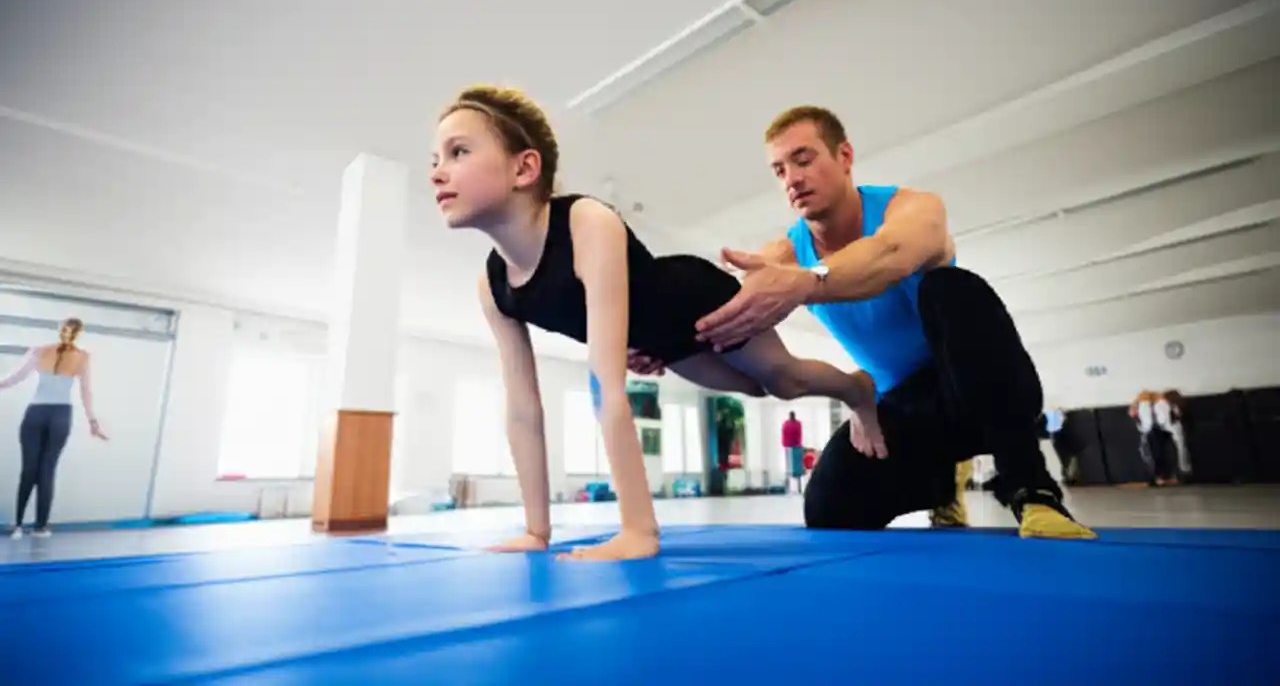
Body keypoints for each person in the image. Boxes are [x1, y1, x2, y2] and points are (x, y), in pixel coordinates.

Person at [430, 85, 880, 561]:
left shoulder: (586, 221)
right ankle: (544, 527)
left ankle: (857, 388)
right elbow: (523, 408)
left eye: (457, 152)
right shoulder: (492, 283)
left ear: (524, 167)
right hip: (660, 340)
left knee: (783, 380)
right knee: (752, 391)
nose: (437, 172)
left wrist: (637, 531)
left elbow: (607, 384)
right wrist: (536, 532)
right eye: (434, 159)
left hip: (696, 301)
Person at [629, 106, 1095, 540]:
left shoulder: (912, 210)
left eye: (803, 159)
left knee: (952, 288)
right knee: (830, 510)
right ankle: (940, 484)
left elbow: (887, 257)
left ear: (845, 155)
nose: (792, 178)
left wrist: (805, 283)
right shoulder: (783, 256)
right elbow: (746, 354)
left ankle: (1031, 489)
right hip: (904, 410)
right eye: (780, 170)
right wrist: (673, 346)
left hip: (981, 390)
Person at [1, 318, 108, 538]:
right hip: (60, 415)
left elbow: (14, 378)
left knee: (29, 470)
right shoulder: (82, 357)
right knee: (47, 470)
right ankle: (40, 527)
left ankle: (18, 526)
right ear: (79, 334)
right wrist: (92, 421)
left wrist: (93, 421)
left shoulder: (39, 351)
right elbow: (86, 392)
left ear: (60, 330)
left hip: (36, 413)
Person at [782, 411, 805, 494]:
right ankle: (789, 488)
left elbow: (799, 434)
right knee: (790, 468)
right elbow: (784, 434)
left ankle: (798, 488)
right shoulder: (787, 424)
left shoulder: (796, 424)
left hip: (795, 447)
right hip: (790, 447)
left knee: (797, 469)